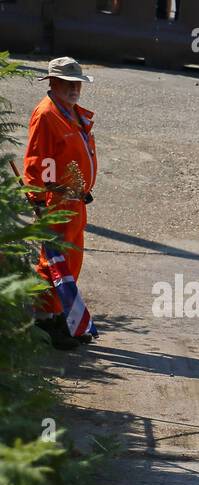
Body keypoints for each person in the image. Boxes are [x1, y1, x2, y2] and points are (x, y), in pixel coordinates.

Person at [24, 57, 98, 351]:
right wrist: (40, 200)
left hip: (75, 202)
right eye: (67, 83)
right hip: (58, 201)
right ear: (52, 83)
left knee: (69, 262)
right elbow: (37, 160)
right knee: (52, 263)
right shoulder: (46, 115)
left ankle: (63, 316)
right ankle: (45, 321)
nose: (74, 88)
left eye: (76, 83)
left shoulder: (70, 113)